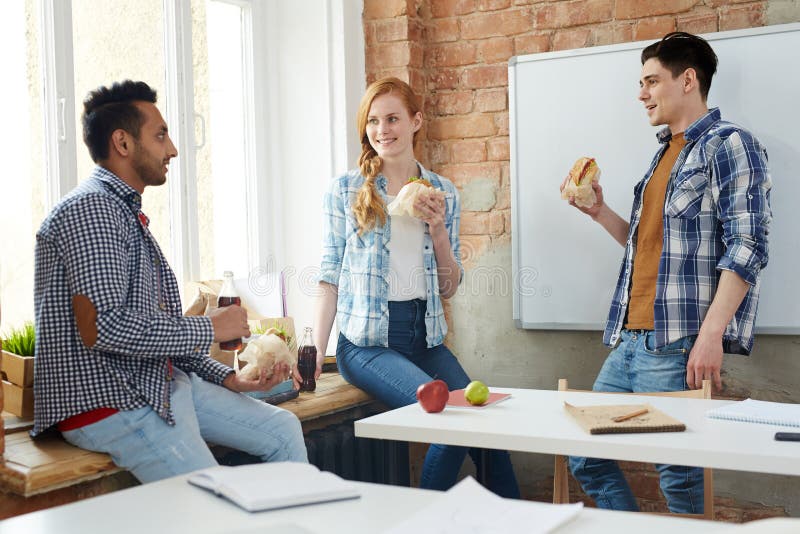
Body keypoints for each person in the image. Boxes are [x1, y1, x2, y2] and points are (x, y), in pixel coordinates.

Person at [32, 80, 307, 483]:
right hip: (110, 402)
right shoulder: (92, 211)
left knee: (284, 429)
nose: (173, 149)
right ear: (122, 143)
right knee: (212, 502)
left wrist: (230, 376)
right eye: (160, 135)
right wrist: (208, 326)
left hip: (156, 384)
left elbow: (155, 335)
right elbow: (103, 327)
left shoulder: (124, 213)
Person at [561, 32, 771, 513]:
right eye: (641, 83)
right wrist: (600, 212)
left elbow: (749, 245)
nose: (642, 94)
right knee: (585, 455)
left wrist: (711, 334)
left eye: (652, 81)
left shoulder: (729, 145)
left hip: (676, 342)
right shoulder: (662, 155)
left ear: (688, 80)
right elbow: (645, 247)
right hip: (630, 340)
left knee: (679, 479)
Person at [299, 77, 520, 497]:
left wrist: (437, 229)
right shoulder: (346, 191)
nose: (383, 130)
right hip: (367, 346)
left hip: (424, 338)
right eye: (374, 121)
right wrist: (312, 352)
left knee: (489, 431)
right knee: (448, 426)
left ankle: (522, 522)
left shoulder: (443, 193)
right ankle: (422, 521)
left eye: (394, 119)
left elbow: (449, 287)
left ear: (416, 121)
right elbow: (329, 276)